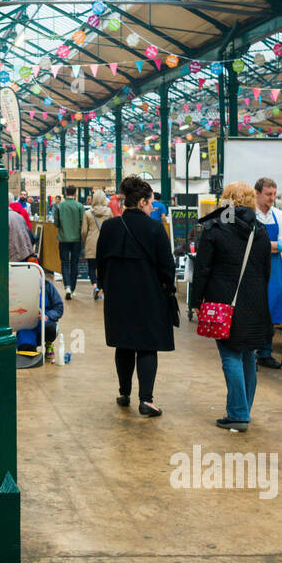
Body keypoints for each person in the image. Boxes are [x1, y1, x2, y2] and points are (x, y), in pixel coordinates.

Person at [191, 182, 272, 432]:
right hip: (255, 302)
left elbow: (202, 269)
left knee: (230, 354)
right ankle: (244, 409)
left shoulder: (215, 228)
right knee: (248, 353)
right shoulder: (260, 231)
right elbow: (265, 270)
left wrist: (196, 301)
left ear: (225, 200)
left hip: (222, 302)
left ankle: (238, 414)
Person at [97, 176, 176, 417]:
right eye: (151, 202)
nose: (153, 207)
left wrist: (105, 287)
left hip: (118, 297)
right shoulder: (155, 229)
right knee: (146, 346)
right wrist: (168, 288)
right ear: (142, 202)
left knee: (123, 343)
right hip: (149, 296)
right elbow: (167, 265)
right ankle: (147, 400)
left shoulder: (110, 227)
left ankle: (124, 392)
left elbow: (100, 262)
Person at [253, 177, 282, 369]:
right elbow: (246, 245)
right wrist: (274, 245)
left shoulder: (280, 215)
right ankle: (250, 353)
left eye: (274, 194)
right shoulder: (249, 215)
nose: (272, 198)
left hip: (275, 268)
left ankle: (265, 353)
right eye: (268, 194)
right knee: (253, 310)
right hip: (253, 268)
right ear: (257, 193)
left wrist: (263, 245)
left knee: (271, 310)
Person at [15, 263, 64, 361]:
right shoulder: (19, 288)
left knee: (51, 329)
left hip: (44, 322)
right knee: (26, 353)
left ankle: (49, 343)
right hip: (26, 325)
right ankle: (29, 344)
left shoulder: (48, 285)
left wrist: (47, 315)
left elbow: (59, 307)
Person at [80, 189, 112, 300]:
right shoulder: (109, 212)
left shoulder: (87, 213)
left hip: (91, 243)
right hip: (106, 243)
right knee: (104, 267)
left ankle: (95, 287)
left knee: (92, 267)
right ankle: (102, 286)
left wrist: (85, 241)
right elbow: (113, 229)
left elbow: (84, 231)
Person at [54, 185, 85, 299]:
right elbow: (83, 223)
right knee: (74, 263)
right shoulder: (80, 206)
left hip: (63, 238)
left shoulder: (59, 206)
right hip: (77, 239)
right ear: (75, 193)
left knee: (65, 263)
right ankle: (72, 289)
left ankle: (67, 286)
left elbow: (56, 223)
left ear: (65, 193)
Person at [8, 195, 35, 262]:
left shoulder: (4, 216)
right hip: (23, 252)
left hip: (12, 255)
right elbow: (27, 228)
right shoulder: (19, 216)